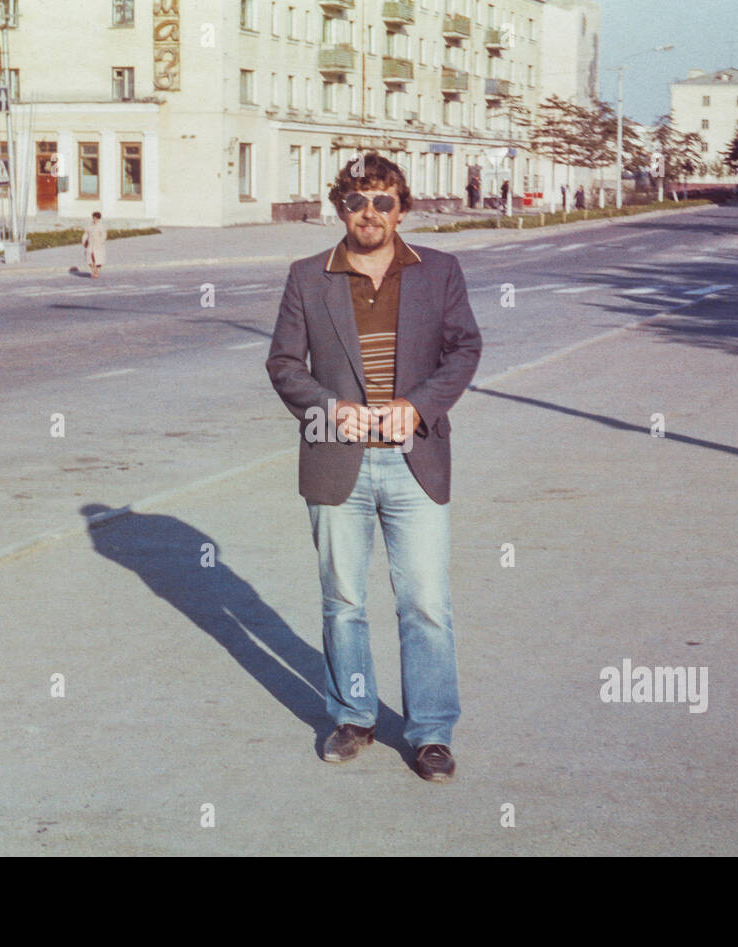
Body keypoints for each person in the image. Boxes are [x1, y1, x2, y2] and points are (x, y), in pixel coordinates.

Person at [266, 152, 482, 783]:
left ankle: (431, 732)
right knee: (343, 600)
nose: (370, 213)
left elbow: (464, 349)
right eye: (357, 201)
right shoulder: (308, 276)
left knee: (426, 603)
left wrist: (417, 407)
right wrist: (332, 410)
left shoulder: (439, 272)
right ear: (340, 207)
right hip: (339, 463)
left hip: (416, 463)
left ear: (402, 208)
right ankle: (354, 715)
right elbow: (284, 364)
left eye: (382, 201)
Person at [81, 211, 107, 277]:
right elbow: (86, 233)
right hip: (90, 244)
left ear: (99, 219)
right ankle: (93, 272)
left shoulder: (101, 226)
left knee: (98, 259)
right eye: (94, 218)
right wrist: (83, 241)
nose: (95, 220)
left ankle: (97, 272)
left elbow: (104, 235)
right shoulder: (90, 226)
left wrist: (100, 242)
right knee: (89, 259)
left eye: (96, 218)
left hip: (98, 245)